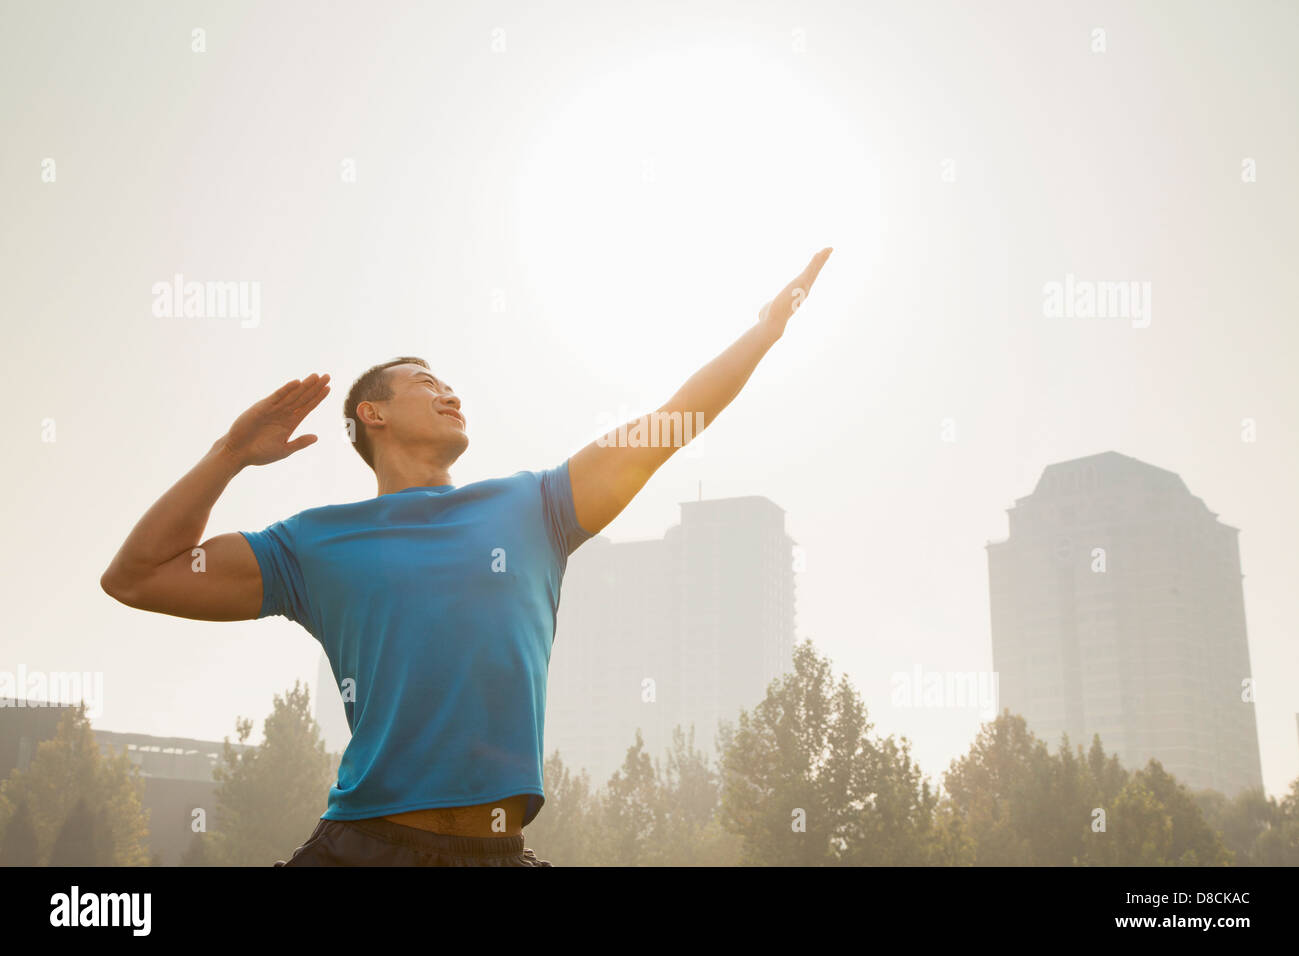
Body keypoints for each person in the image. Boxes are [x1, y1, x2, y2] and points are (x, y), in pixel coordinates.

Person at [100, 248, 833, 866]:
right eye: (426, 382)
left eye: (451, 383)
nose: (450, 392)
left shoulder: (536, 506)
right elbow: (137, 576)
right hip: (364, 849)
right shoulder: (313, 543)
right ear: (372, 414)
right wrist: (229, 455)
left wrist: (763, 332)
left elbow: (669, 425)